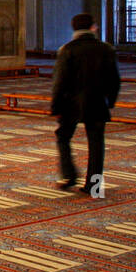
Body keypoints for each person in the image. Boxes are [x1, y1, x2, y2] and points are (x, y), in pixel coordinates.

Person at [50, 12, 121, 195]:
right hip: (97, 102)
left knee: (63, 137)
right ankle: (94, 187)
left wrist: (55, 106)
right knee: (97, 144)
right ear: (93, 27)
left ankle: (70, 174)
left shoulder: (67, 49)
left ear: (74, 28)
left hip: (70, 103)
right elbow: (114, 80)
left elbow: (60, 81)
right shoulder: (106, 49)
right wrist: (110, 101)